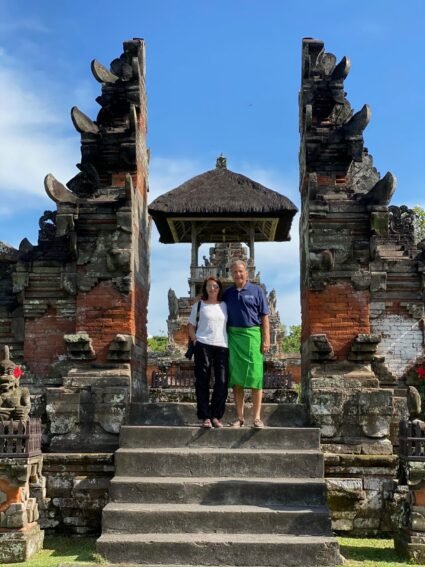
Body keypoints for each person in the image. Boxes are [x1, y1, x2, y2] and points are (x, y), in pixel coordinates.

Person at [223, 260, 270, 428]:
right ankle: (240, 417)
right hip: (234, 337)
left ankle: (257, 417)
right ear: (231, 274)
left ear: (247, 272)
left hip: (252, 335)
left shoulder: (257, 291)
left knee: (256, 377)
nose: (238, 274)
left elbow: (264, 316)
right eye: (235, 272)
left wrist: (267, 339)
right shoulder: (227, 294)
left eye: (241, 271)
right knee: (237, 379)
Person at [188, 277, 228, 428]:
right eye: (209, 286)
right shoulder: (199, 305)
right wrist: (195, 340)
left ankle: (216, 415)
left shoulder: (225, 305)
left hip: (222, 345)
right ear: (205, 288)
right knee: (202, 380)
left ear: (219, 289)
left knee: (222, 381)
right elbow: (190, 326)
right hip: (203, 344)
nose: (212, 289)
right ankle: (205, 416)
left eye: (215, 286)